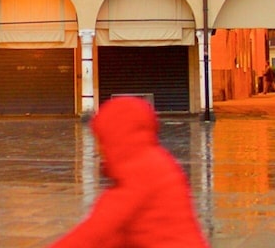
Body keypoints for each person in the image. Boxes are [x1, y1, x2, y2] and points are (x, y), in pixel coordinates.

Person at [52, 97, 208, 248]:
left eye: (101, 139)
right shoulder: (155, 161)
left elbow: (96, 232)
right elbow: (119, 235)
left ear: (115, 136)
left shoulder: (140, 172)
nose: (99, 149)